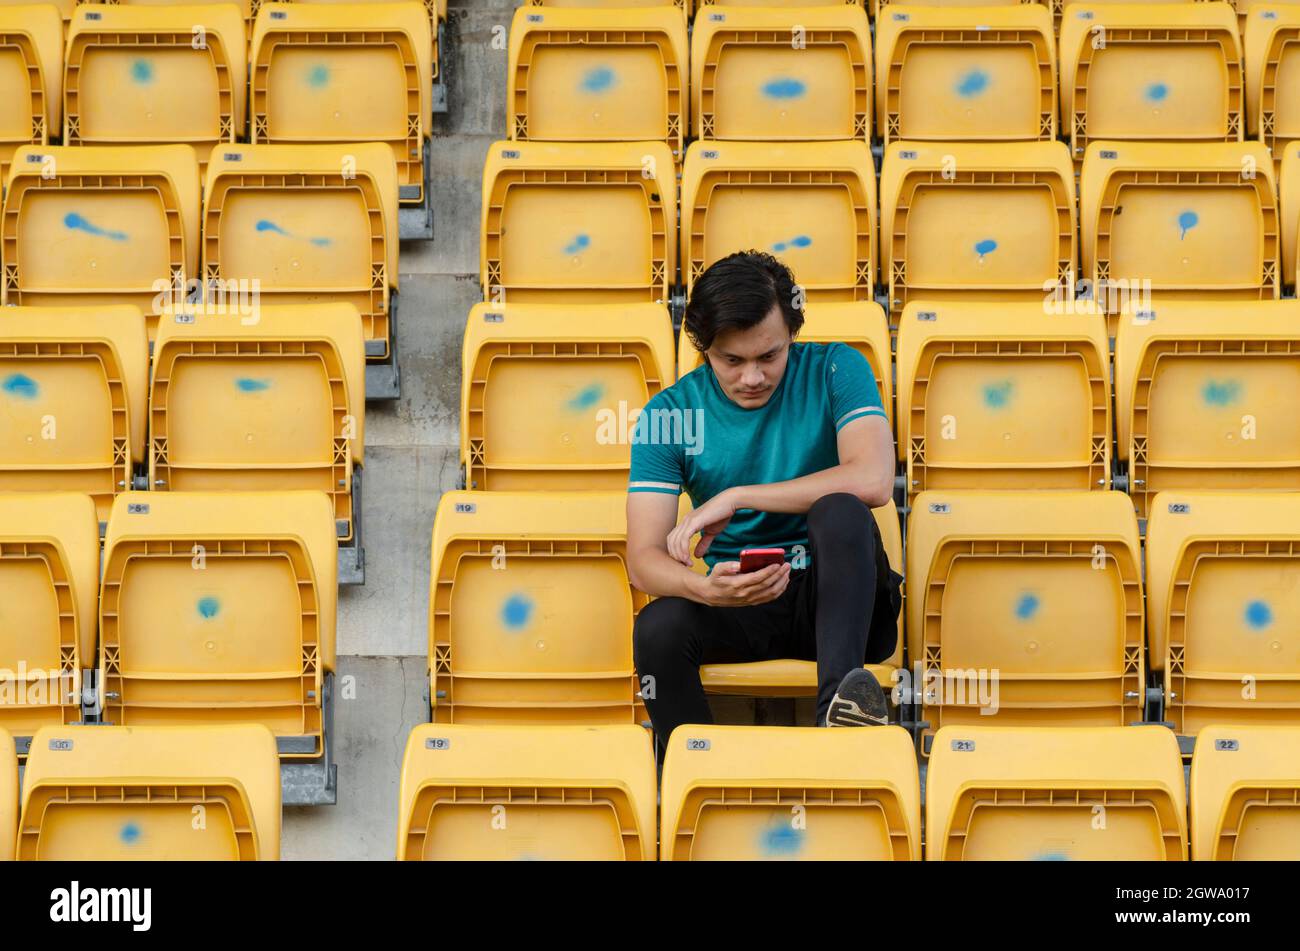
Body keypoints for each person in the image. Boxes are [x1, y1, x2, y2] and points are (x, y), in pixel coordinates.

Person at [626, 250, 904, 757]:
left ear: (791, 336)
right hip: (740, 601)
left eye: (768, 356)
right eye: (732, 360)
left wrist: (738, 496)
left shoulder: (836, 368)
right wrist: (705, 589)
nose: (752, 377)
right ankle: (698, 772)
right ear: (704, 347)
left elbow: (874, 479)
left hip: (842, 602)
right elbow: (643, 558)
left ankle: (840, 725)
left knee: (840, 509)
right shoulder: (669, 414)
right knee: (656, 626)